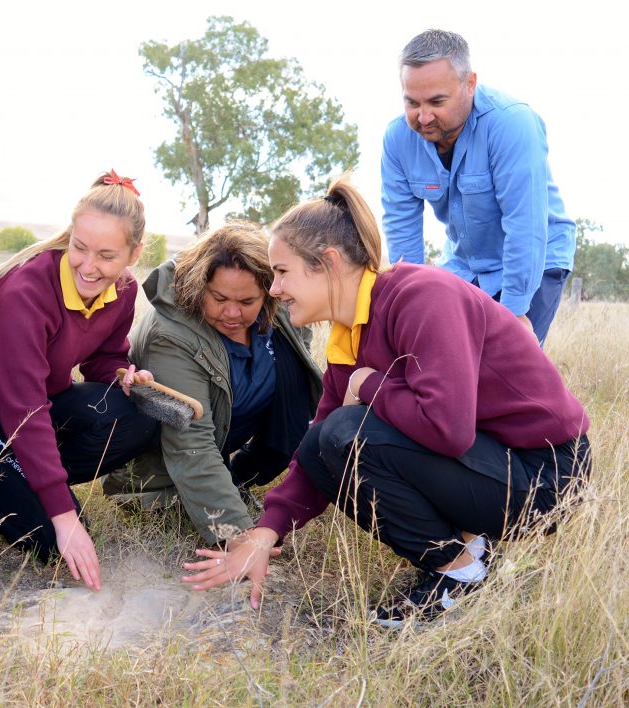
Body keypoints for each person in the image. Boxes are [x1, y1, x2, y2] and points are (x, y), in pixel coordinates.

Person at [183, 178, 591, 627]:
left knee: (345, 431)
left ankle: (460, 576)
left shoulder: (421, 296)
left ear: (328, 262)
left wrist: (370, 384)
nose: (275, 289)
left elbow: (447, 430)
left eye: (282, 271)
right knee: (323, 442)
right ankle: (467, 553)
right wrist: (265, 532)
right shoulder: (350, 332)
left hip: (548, 477)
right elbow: (316, 449)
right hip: (490, 466)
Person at [0, 171, 160, 591]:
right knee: (53, 541)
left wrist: (123, 374)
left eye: (106, 255)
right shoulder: (26, 291)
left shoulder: (123, 290)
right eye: (79, 248)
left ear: (134, 253)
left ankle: (24, 474)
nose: (88, 266)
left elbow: (103, 357)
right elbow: (24, 407)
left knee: (139, 416)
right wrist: (64, 516)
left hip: (44, 408)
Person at [103, 223, 323, 545]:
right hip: (160, 472)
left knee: (294, 377)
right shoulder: (171, 335)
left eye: (247, 301)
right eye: (219, 298)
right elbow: (191, 444)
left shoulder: (279, 312)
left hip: (225, 446)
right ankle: (205, 493)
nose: (232, 313)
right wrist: (239, 537)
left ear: (269, 292)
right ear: (199, 285)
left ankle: (236, 478)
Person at [380, 29, 575, 344]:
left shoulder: (512, 124)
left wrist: (514, 312)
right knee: (443, 353)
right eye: (412, 102)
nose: (424, 117)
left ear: (469, 84)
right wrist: (411, 304)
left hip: (535, 258)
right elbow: (402, 231)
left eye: (436, 101)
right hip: (465, 263)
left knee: (506, 356)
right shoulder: (397, 139)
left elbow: (525, 226)